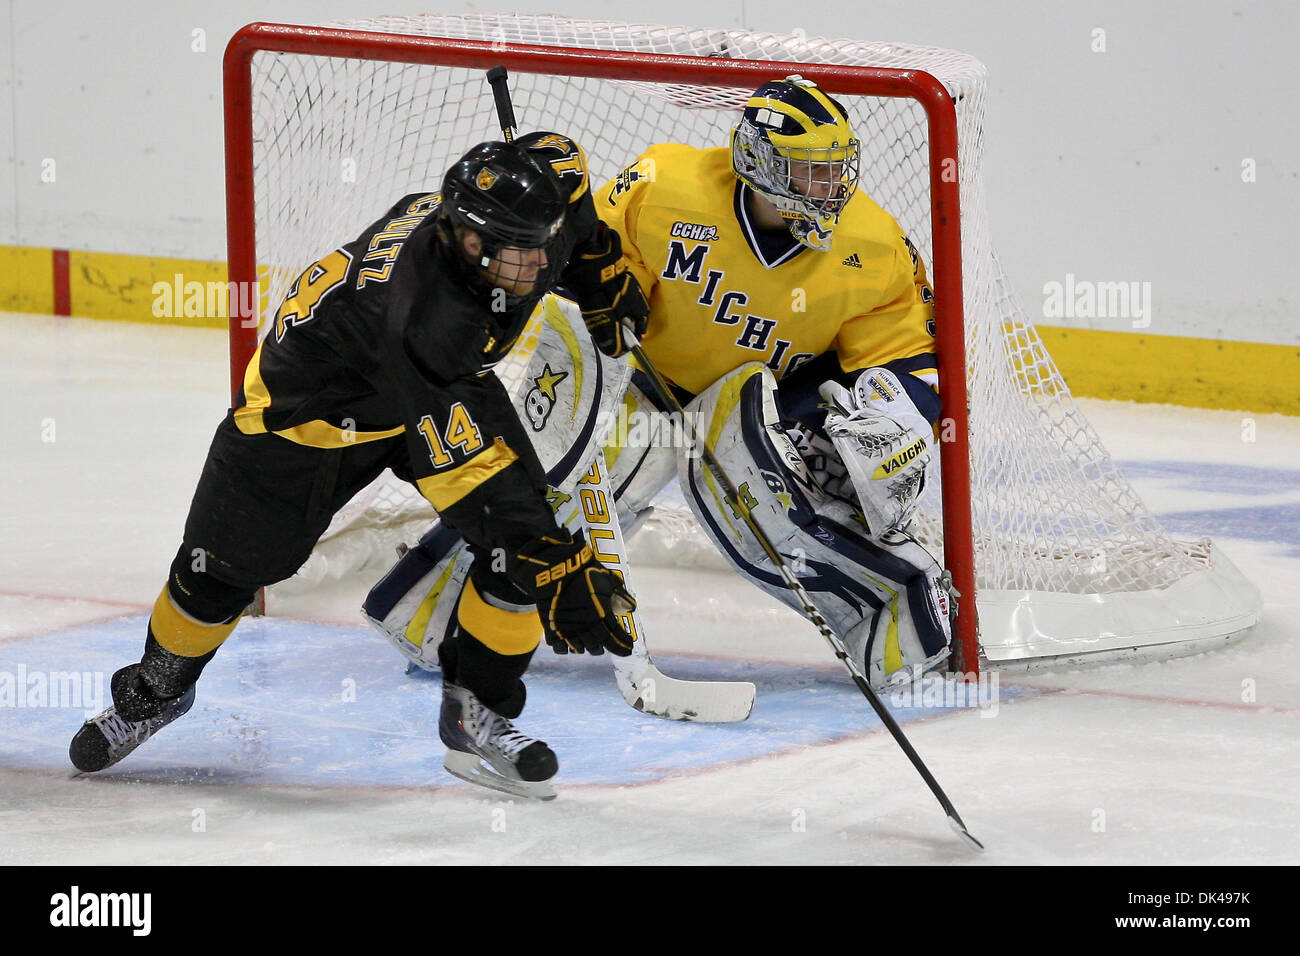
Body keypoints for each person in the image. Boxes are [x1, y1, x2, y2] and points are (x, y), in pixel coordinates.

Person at [68, 131, 650, 800]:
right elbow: (472, 475)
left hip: (430, 386)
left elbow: (568, 189)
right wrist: (553, 558)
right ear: (469, 245)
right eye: (525, 255)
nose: (540, 263)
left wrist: (597, 266)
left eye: (544, 244)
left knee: (522, 550)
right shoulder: (423, 319)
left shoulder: (525, 216)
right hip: (305, 418)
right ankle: (159, 689)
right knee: (217, 574)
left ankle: (474, 711)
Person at [366, 77, 952, 698]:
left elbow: (903, 353)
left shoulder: (875, 243)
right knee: (550, 488)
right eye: (811, 173)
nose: (831, 191)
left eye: (837, 172)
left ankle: (910, 626)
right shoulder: (667, 184)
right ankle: (447, 621)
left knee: (780, 517)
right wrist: (598, 298)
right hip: (636, 377)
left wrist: (883, 418)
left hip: (756, 401)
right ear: (759, 164)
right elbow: (587, 265)